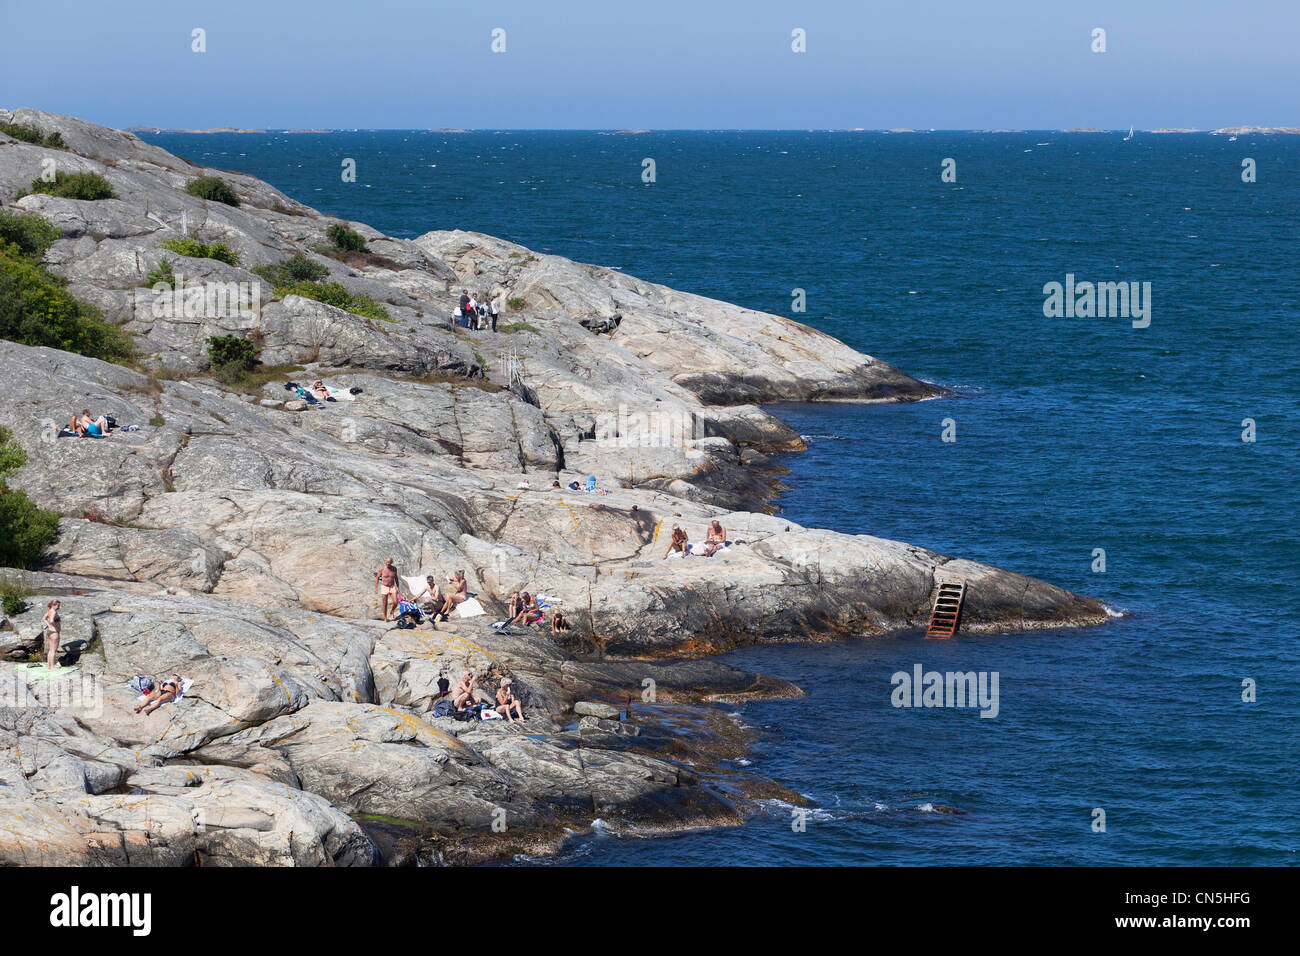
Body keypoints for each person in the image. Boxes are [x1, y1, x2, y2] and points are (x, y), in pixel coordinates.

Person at [374, 557, 400, 622]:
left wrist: (398, 586)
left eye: (389, 562)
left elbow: (396, 578)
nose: (387, 563)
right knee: (385, 603)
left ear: (391, 562)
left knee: (395, 602)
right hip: (384, 586)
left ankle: (391, 612)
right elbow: (377, 577)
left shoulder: (394, 569)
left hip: (392, 586)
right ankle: (385, 617)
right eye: (387, 562)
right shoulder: (382, 568)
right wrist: (376, 588)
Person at [42, 600, 61, 670]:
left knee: (50, 650)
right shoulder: (53, 612)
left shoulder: (49, 610)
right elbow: (51, 620)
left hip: (50, 632)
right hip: (54, 632)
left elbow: (44, 618)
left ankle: (49, 666)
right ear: (53, 605)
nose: (59, 607)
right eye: (58, 605)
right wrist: (55, 626)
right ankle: (52, 667)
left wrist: (49, 625)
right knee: (53, 650)